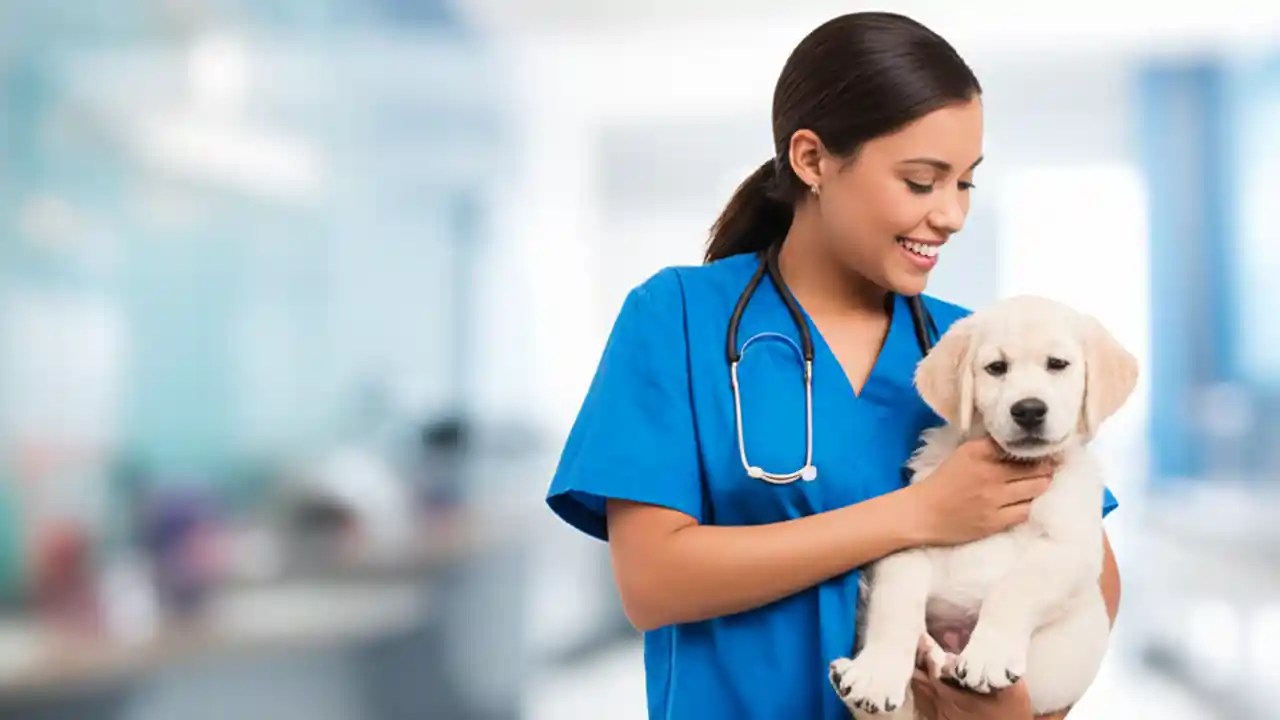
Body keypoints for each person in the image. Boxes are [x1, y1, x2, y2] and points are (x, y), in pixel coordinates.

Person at [545, 11, 1121, 720]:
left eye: (965, 183)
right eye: (921, 181)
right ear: (814, 160)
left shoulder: (971, 351)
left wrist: (1022, 709)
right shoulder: (679, 319)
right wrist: (916, 514)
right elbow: (653, 581)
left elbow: (1088, 563)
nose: (951, 215)